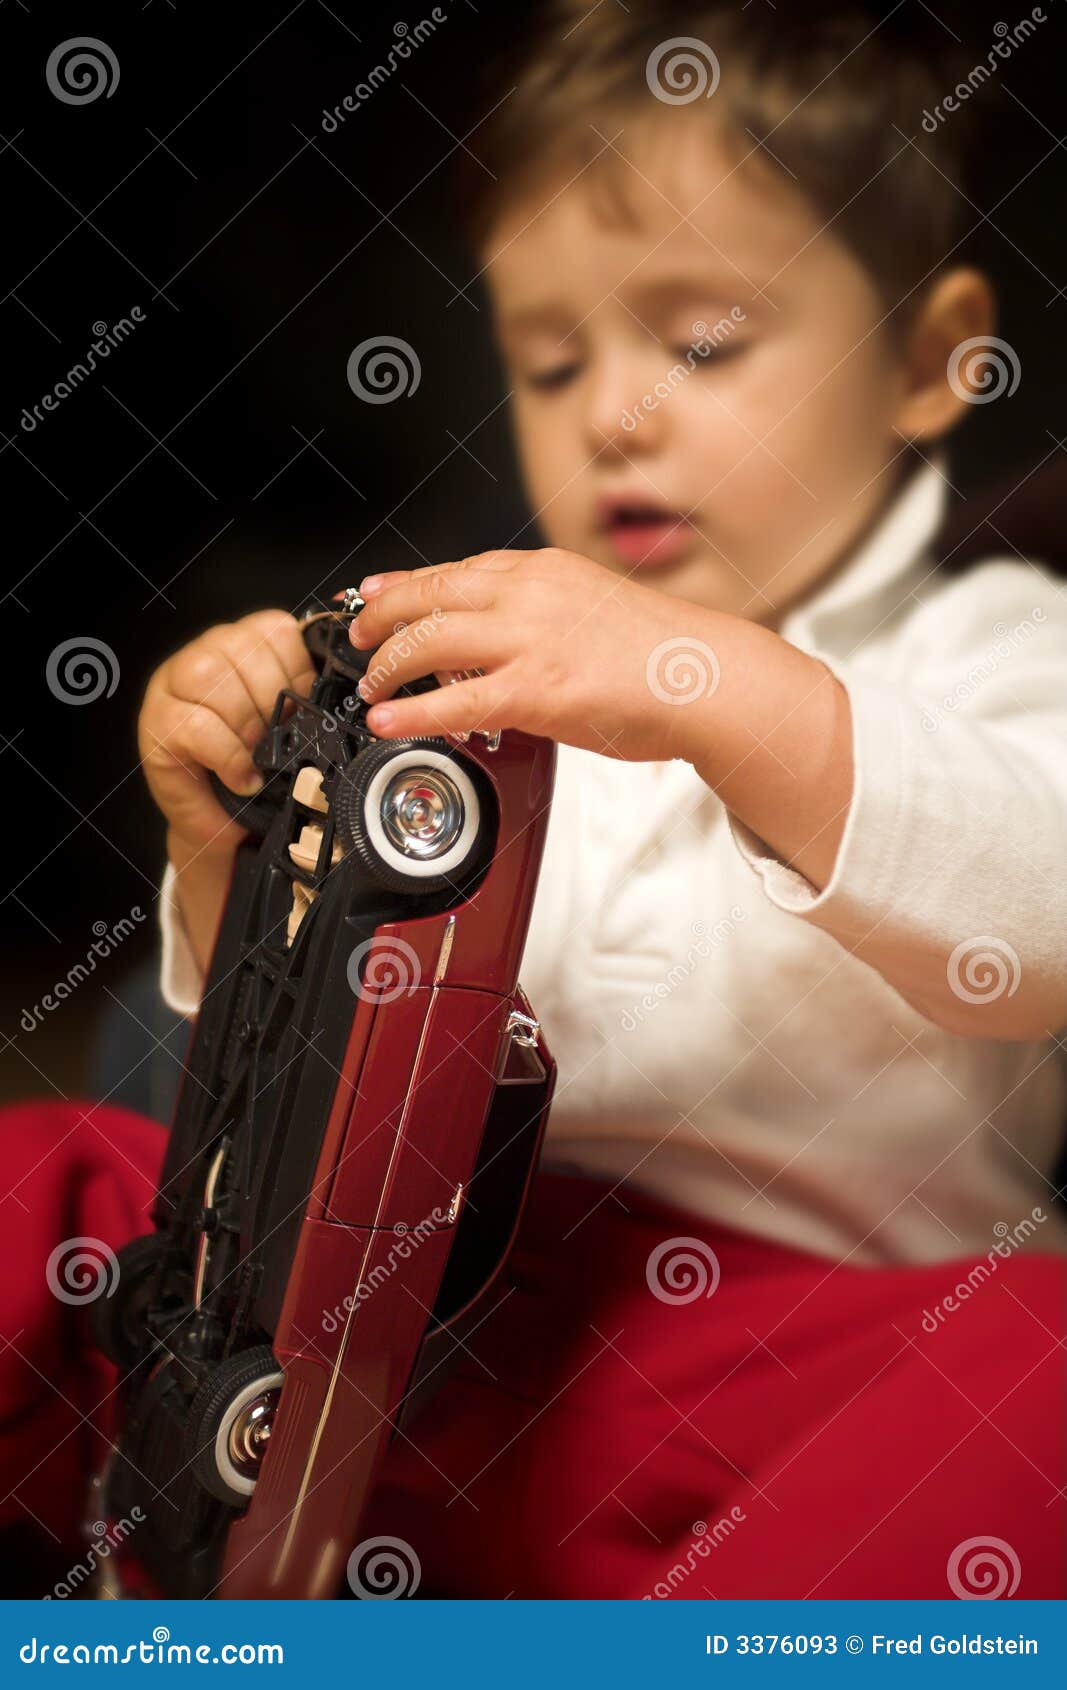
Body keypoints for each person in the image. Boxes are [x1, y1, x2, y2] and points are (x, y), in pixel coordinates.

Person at [137, 3, 1067, 1597]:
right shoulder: (489, 676)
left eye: (703, 343)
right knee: (62, 1181)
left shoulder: (993, 645)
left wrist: (703, 683)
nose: (614, 416)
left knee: (1040, 1361)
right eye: (552, 361)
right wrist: (229, 850)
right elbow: (302, 1088)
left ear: (927, 359)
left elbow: (1037, 905)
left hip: (811, 1379)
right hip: (425, 1350)